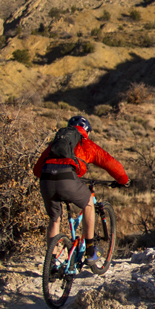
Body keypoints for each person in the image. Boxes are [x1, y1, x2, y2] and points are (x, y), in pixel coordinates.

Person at [33, 114, 130, 270]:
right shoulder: (86, 143)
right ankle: (91, 250)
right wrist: (123, 180)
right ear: (87, 131)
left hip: (46, 179)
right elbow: (110, 163)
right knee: (89, 202)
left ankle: (51, 263)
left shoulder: (55, 144)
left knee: (55, 219)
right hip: (67, 178)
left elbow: (37, 171)